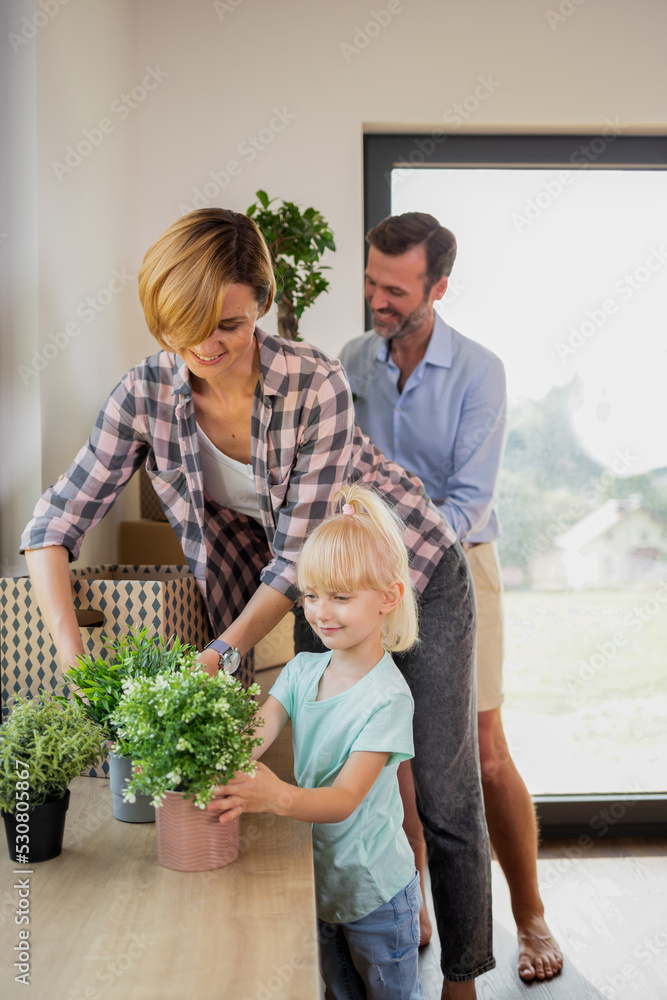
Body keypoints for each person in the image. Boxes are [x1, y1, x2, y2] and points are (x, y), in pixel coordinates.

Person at [20, 208, 493, 997]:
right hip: (314, 593)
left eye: (230, 324)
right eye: (187, 326)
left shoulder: (312, 379)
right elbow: (51, 523)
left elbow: (294, 551)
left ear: (262, 306)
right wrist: (71, 656)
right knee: (331, 769)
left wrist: (222, 652)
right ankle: (377, 917)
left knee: (445, 790)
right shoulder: (145, 393)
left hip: (407, 572)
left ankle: (463, 978)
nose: (208, 345)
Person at [339, 211, 563, 983]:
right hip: (372, 579)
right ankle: (418, 898)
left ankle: (529, 913)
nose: (377, 299)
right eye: (370, 281)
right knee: (399, 752)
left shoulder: (478, 370)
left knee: (482, 753)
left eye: (394, 288)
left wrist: (408, 555)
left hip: (458, 570)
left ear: (437, 287)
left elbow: (467, 499)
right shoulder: (351, 362)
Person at [209, 482, 425, 1000]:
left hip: (376, 891)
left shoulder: (388, 698)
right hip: (321, 881)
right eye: (310, 595)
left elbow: (345, 800)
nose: (321, 612)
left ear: (388, 598)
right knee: (339, 991)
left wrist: (275, 796)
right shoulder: (303, 670)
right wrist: (209, 754)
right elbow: (256, 735)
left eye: (341, 597)